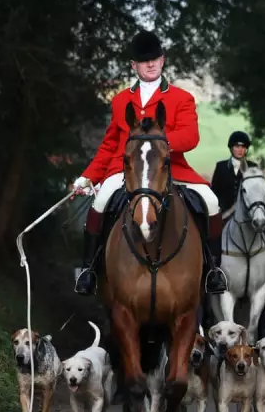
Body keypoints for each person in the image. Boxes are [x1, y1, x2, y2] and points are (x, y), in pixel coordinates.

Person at [71, 30, 229, 296]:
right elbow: (110, 144)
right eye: (145, 61)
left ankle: (213, 270)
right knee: (100, 201)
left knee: (211, 201)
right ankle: (89, 269)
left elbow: (190, 136)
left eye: (156, 58)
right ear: (134, 66)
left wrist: (158, 145)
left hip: (169, 168)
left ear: (163, 60)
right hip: (128, 171)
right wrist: (89, 177)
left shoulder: (181, 98)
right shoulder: (121, 100)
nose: (152, 64)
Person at [210, 130, 257, 218]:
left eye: (243, 147)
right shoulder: (221, 166)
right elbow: (214, 191)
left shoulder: (253, 167)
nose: (240, 150)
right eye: (237, 146)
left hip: (247, 214)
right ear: (231, 148)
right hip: (224, 214)